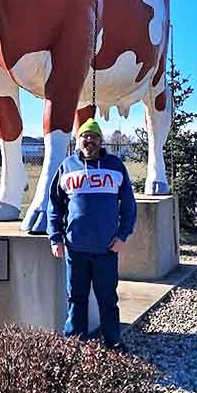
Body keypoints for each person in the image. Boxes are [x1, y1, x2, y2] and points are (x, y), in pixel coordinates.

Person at [47, 118, 137, 349]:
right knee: (76, 299)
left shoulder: (115, 166)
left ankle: (113, 342)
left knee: (108, 299)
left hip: (106, 249)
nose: (89, 140)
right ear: (78, 141)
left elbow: (128, 205)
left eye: (94, 136)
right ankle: (74, 344)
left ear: (100, 140)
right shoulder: (67, 166)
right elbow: (54, 205)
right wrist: (55, 237)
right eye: (85, 136)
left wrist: (122, 236)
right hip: (75, 249)